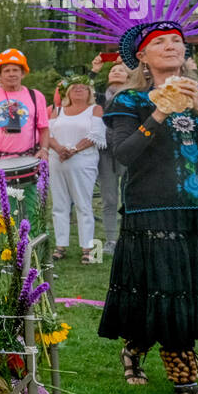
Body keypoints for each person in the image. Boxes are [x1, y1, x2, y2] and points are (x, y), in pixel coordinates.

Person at [36, 0, 198, 394]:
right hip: (150, 207)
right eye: (162, 43)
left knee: (177, 288)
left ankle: (134, 348)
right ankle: (187, 386)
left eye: (178, 41)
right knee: (166, 285)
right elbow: (122, 156)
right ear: (142, 54)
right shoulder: (132, 101)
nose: (172, 46)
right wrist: (159, 111)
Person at [0, 48, 50, 232]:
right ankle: (8, 253)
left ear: (23, 73)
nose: (11, 74)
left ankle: (34, 254)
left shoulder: (36, 96)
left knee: (33, 210)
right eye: (6, 70)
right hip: (0, 162)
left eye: (15, 70)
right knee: (3, 214)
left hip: (30, 161)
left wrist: (44, 149)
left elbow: (44, 128)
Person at [47, 75, 105, 263]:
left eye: (83, 87)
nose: (79, 89)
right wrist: (58, 149)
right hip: (57, 161)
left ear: (90, 92)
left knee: (83, 204)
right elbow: (47, 133)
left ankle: (88, 248)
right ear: (67, 92)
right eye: (74, 87)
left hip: (83, 162)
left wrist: (73, 149)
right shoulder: (58, 110)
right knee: (59, 204)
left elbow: (95, 134)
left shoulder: (94, 109)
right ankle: (60, 245)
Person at [92, 56, 130, 253]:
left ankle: (129, 238)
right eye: (113, 70)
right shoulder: (98, 98)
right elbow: (76, 90)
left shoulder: (134, 95)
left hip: (129, 150)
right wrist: (94, 70)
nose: (116, 71)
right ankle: (110, 240)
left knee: (130, 196)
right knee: (109, 198)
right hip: (105, 153)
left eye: (121, 70)